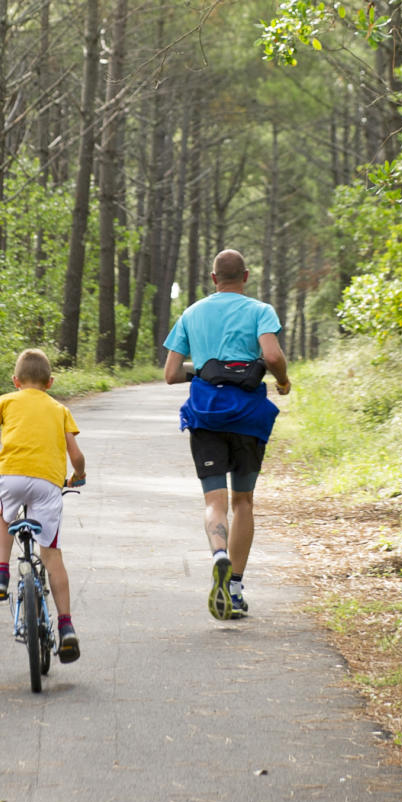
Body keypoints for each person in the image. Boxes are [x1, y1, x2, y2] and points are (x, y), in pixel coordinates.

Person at [163, 248, 290, 621]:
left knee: (214, 502)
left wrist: (205, 371)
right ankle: (234, 586)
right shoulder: (260, 311)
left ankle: (218, 552)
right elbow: (272, 355)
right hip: (249, 417)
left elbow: (170, 374)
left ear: (213, 278)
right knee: (244, 502)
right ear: (246, 276)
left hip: (206, 416)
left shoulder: (192, 313)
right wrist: (281, 380)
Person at [0, 348, 86, 662]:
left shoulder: (5, 401)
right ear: (50, 381)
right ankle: (66, 627)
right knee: (52, 553)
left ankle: (1, 574)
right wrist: (78, 477)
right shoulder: (59, 409)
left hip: (12, 479)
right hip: (48, 484)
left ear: (15, 381)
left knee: (4, 516)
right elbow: (77, 456)